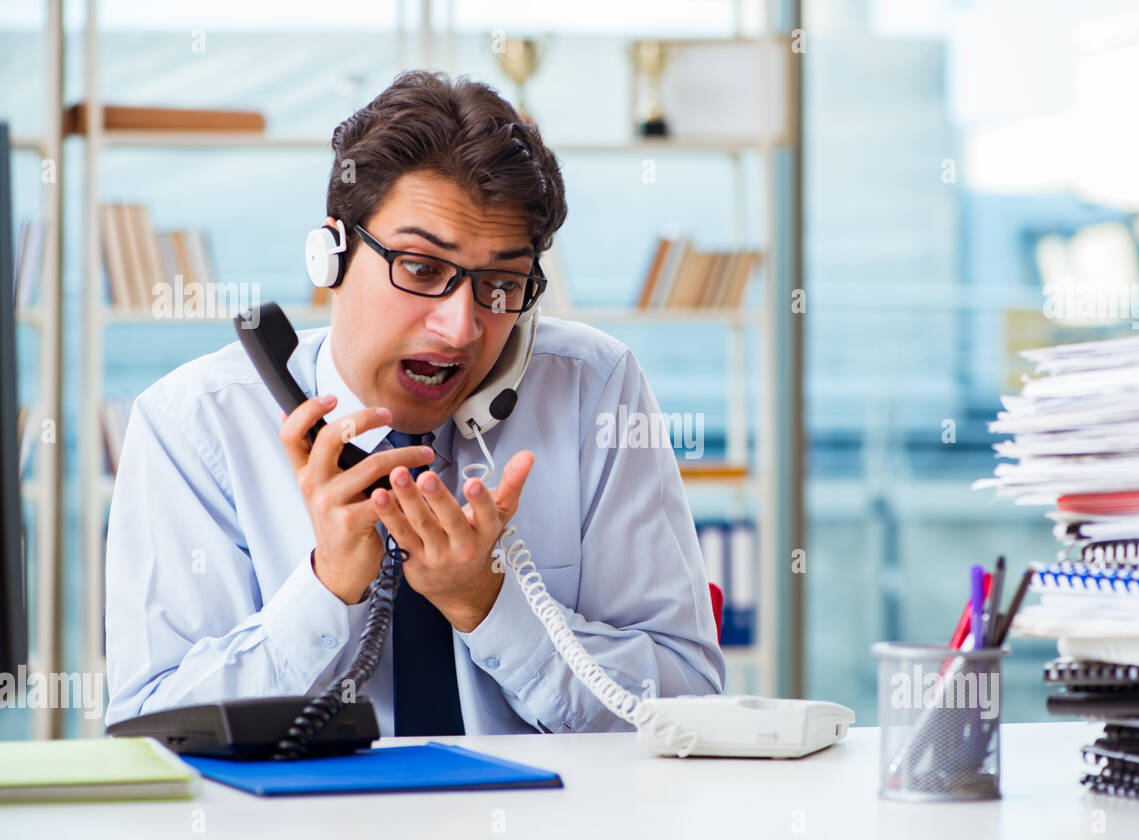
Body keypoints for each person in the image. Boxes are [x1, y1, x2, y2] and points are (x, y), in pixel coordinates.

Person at [104, 71, 725, 736]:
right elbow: (153, 732)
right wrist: (330, 586)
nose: (461, 328)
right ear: (329, 254)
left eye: (501, 284)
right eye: (422, 270)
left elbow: (690, 706)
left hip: (549, 838)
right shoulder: (194, 424)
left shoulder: (594, 393)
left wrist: (490, 607)